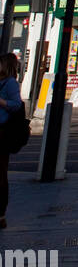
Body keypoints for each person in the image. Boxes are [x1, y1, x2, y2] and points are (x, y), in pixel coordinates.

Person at [0, 52, 24, 229]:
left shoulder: (10, 84)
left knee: (0, 174)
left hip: (1, 133)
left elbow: (16, 105)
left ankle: (0, 214)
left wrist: (1, 102)